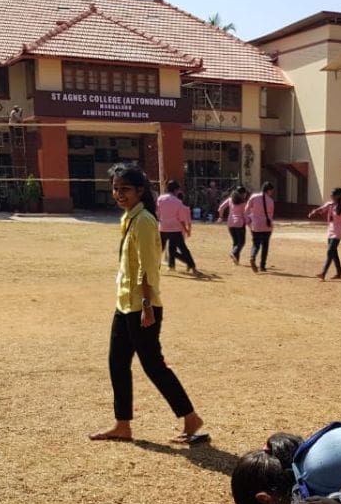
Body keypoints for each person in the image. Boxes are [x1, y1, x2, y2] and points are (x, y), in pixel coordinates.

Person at [89, 163, 205, 445]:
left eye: (125, 189)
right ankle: (122, 425)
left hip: (142, 306)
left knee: (153, 365)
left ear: (140, 191)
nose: (119, 194)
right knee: (117, 363)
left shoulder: (143, 220)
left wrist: (146, 305)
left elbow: (148, 266)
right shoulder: (129, 217)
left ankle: (190, 417)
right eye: (116, 189)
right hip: (125, 304)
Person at [309, 187, 341, 280]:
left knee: (330, 251)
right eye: (331, 194)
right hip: (330, 230)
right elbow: (321, 209)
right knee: (334, 253)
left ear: (338, 196)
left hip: (338, 232)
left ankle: (323, 273)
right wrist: (313, 212)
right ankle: (339, 274)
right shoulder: (329, 204)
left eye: (333, 194)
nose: (331, 196)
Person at [156, 180, 197, 273]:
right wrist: (186, 229)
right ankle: (192, 266)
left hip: (163, 227)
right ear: (175, 190)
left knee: (159, 248)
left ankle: (158, 266)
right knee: (183, 248)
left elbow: (158, 213)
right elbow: (181, 219)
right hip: (175, 228)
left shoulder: (160, 199)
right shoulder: (178, 202)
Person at [246, 181, 275, 272]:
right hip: (267, 226)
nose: (272, 193)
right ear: (269, 190)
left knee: (256, 244)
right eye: (271, 191)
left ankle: (252, 257)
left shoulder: (253, 197)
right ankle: (262, 266)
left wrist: (249, 218)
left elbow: (246, 209)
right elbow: (271, 214)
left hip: (256, 225)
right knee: (265, 245)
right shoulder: (270, 201)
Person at [218, 185, 249, 265]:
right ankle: (234, 253)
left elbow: (221, 208)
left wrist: (221, 217)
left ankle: (236, 260)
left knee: (235, 242)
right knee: (241, 242)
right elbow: (245, 214)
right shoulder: (243, 203)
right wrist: (248, 222)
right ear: (243, 194)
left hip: (230, 223)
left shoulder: (230, 199)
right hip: (239, 223)